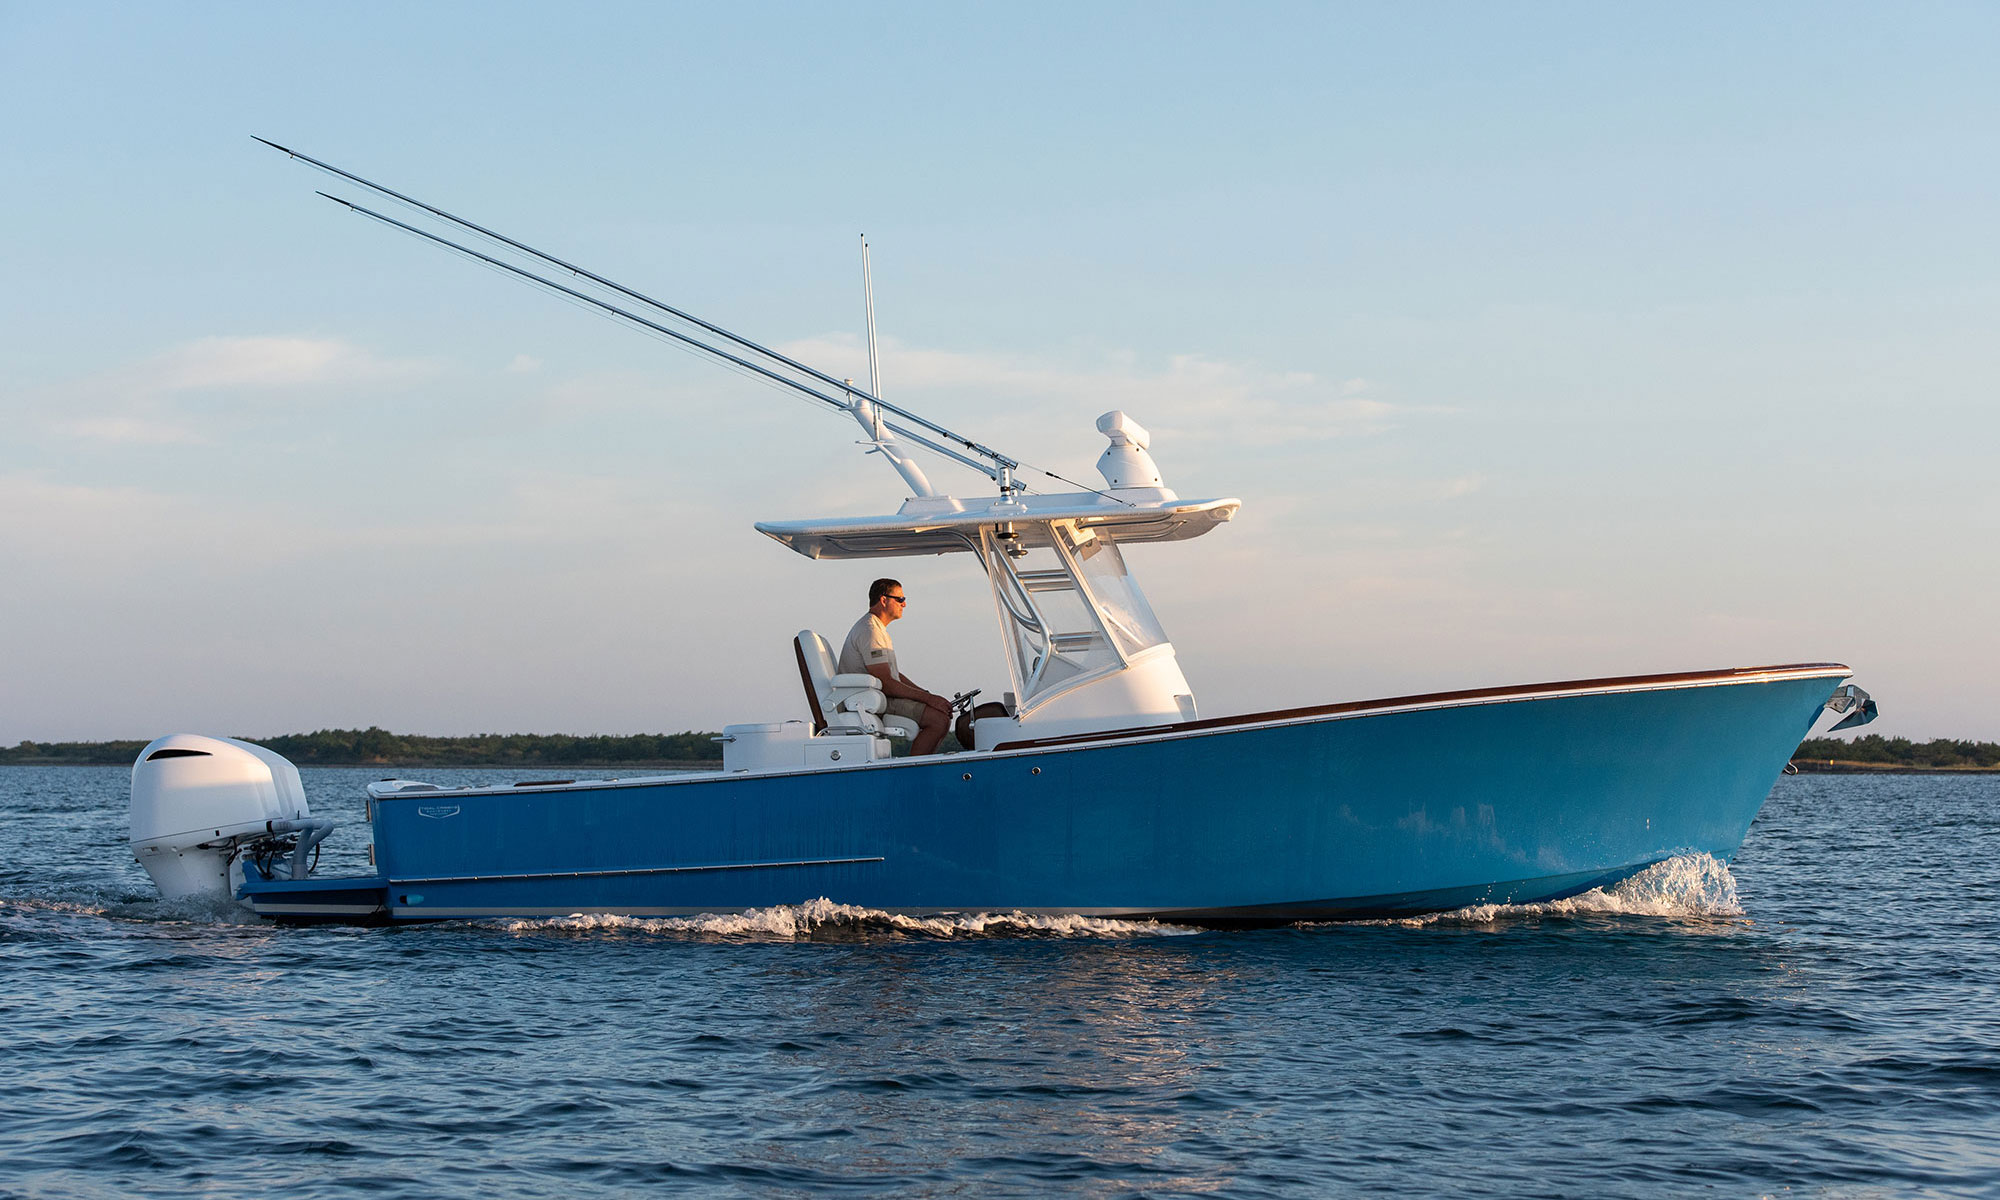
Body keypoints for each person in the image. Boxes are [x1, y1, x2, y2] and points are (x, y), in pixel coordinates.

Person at [838, 578, 952, 755]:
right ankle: (915, 770)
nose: (904, 604)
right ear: (884, 600)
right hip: (871, 702)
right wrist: (929, 699)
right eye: (900, 599)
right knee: (938, 720)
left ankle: (921, 766)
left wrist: (926, 695)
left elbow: (894, 675)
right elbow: (887, 683)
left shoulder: (877, 629)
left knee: (939, 715)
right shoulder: (870, 631)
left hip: (879, 698)